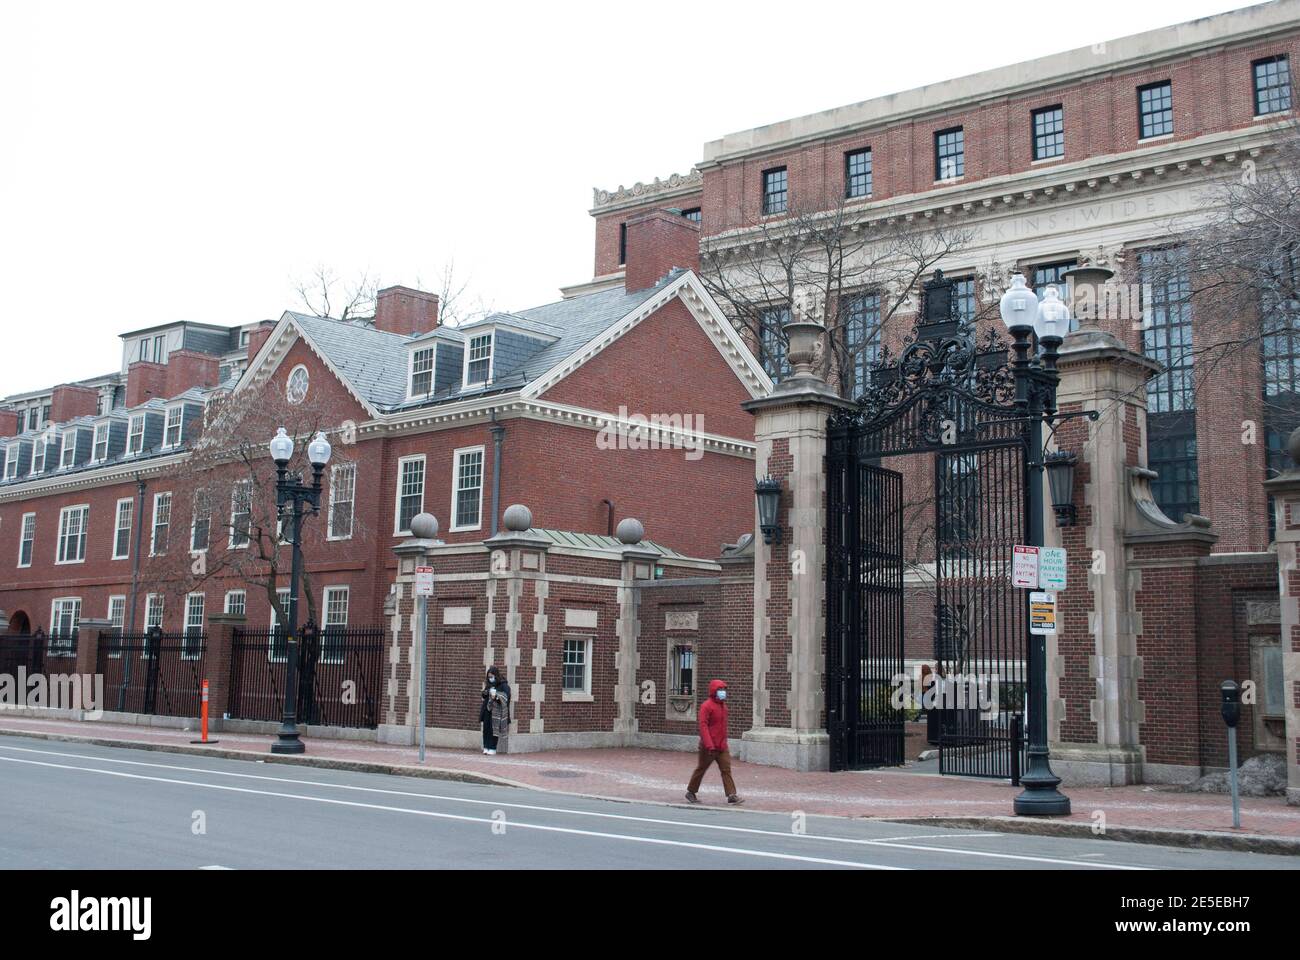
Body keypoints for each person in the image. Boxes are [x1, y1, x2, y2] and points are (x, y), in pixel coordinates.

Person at [685, 679, 742, 804]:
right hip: (708, 747)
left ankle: (731, 795)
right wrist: (709, 744)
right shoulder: (706, 706)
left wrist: (724, 743)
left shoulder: (723, 707)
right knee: (701, 768)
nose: (723, 692)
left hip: (721, 746)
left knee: (726, 769)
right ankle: (691, 791)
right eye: (720, 690)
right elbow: (703, 726)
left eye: (724, 690)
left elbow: (722, 727)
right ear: (714, 691)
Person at [480, 666, 511, 755]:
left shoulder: (503, 685)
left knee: (494, 729)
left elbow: (506, 697)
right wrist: (485, 693)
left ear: (496, 675)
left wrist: (497, 697)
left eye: (491, 677)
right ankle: (486, 746)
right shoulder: (489, 684)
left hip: (497, 712)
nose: (490, 679)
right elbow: (484, 695)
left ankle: (493, 747)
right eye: (489, 677)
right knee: (486, 729)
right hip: (488, 710)